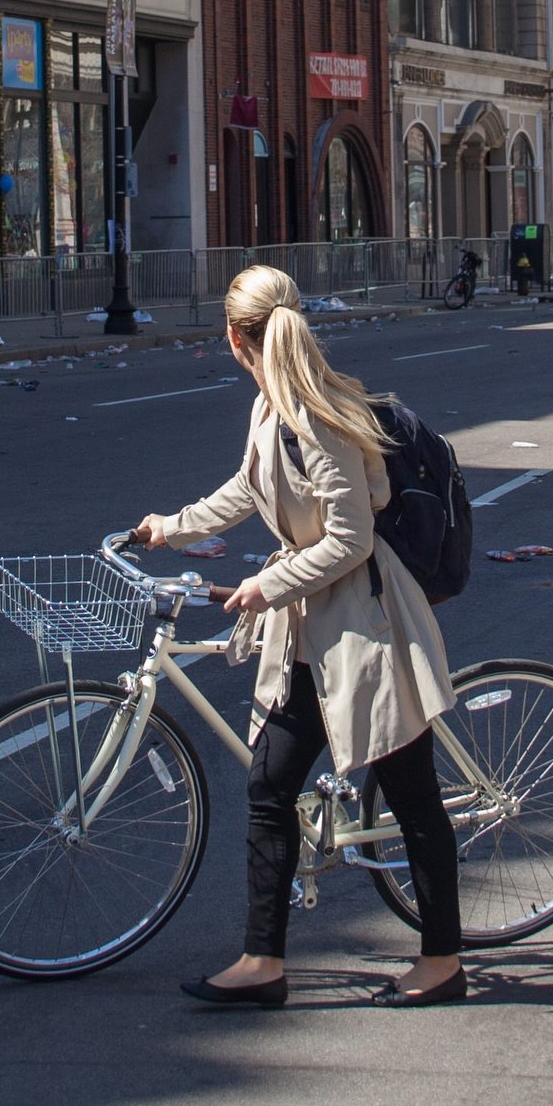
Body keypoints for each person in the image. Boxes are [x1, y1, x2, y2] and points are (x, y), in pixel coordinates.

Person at [128, 264, 467, 1009]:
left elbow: (348, 539)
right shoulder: (270, 407)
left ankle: (442, 961)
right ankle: (262, 963)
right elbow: (248, 490)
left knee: (410, 795)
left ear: (232, 338)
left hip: (366, 628)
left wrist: (265, 586)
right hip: (318, 628)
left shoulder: (313, 415)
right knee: (271, 783)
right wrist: (170, 527)